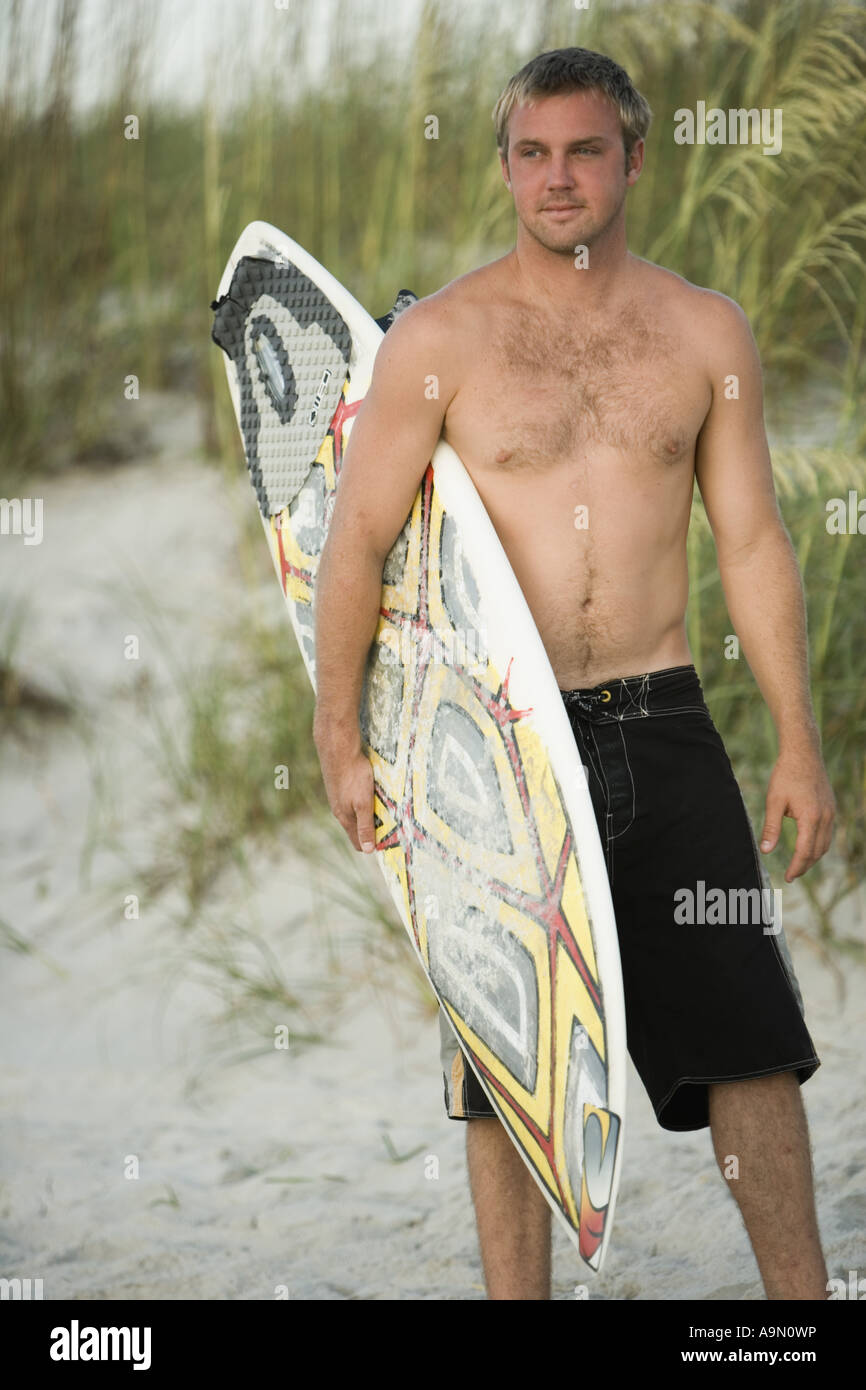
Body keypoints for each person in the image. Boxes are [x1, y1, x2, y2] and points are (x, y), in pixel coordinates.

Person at [311, 46, 835, 1300]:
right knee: (504, 1056)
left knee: (747, 1034)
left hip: (663, 721)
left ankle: (801, 1313)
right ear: (503, 166)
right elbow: (357, 541)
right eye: (532, 152)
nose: (557, 178)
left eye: (584, 149)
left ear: (632, 159)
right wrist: (338, 730)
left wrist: (797, 740)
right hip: (492, 742)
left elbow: (753, 541)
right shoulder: (438, 340)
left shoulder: (704, 330)